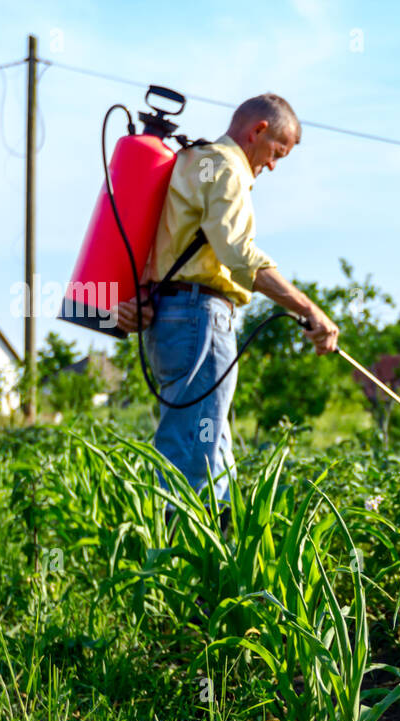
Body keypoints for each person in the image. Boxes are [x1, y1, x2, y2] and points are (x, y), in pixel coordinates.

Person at [113, 92, 339, 511]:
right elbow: (237, 254)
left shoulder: (191, 161)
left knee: (212, 449)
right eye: (277, 153)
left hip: (174, 319)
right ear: (258, 131)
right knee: (192, 460)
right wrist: (307, 307)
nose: (272, 165)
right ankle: (178, 565)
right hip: (200, 317)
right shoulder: (225, 166)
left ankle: (219, 567)